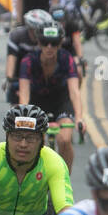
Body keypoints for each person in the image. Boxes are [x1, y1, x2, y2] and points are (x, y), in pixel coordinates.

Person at [18, 23, 83, 170]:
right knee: (36, 142)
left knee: (64, 139)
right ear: (39, 43)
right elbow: (24, 94)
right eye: (44, 42)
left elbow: (74, 91)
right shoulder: (28, 61)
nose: (49, 47)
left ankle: (64, 180)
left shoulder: (67, 59)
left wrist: (79, 117)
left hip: (61, 101)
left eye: (53, 43)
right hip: (37, 102)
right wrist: (24, 116)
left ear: (60, 44)